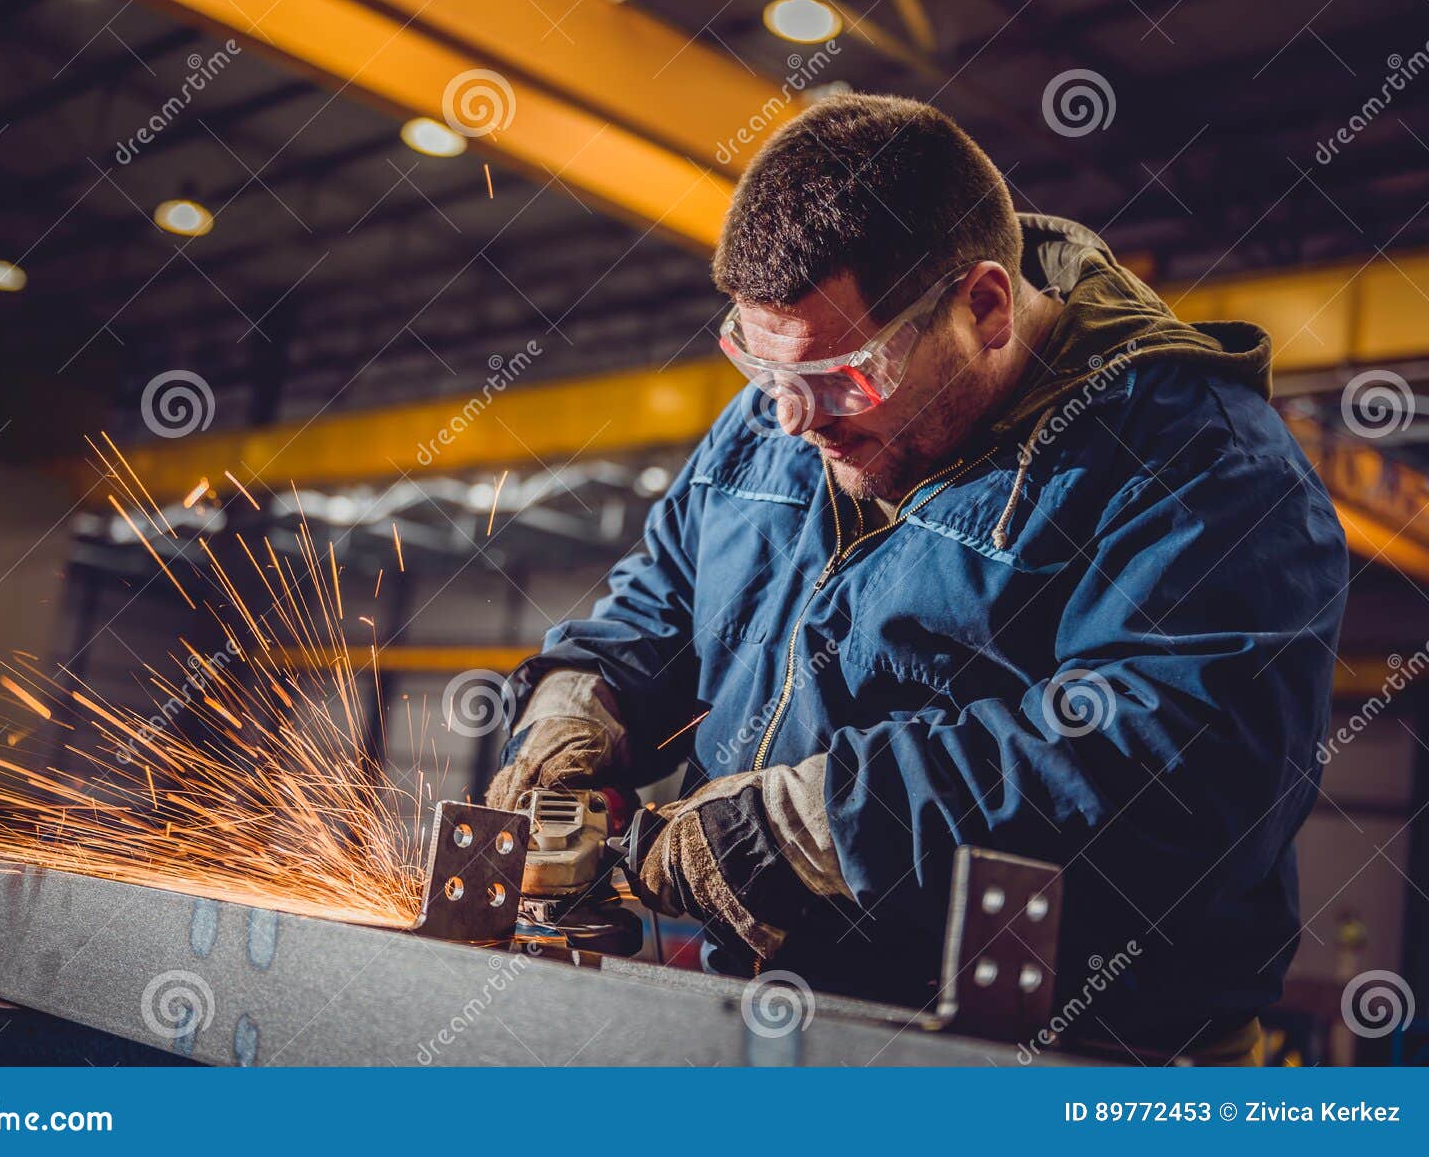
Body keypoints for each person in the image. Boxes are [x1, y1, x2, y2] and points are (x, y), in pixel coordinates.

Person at [487, 94, 1348, 1062]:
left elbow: (1162, 766)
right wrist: (578, 708)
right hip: (770, 1023)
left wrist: (800, 828)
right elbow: (664, 596)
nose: (791, 422)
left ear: (982, 306)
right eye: (756, 368)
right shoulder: (781, 411)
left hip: (1071, 1060)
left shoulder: (1202, 470)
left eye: (842, 378)